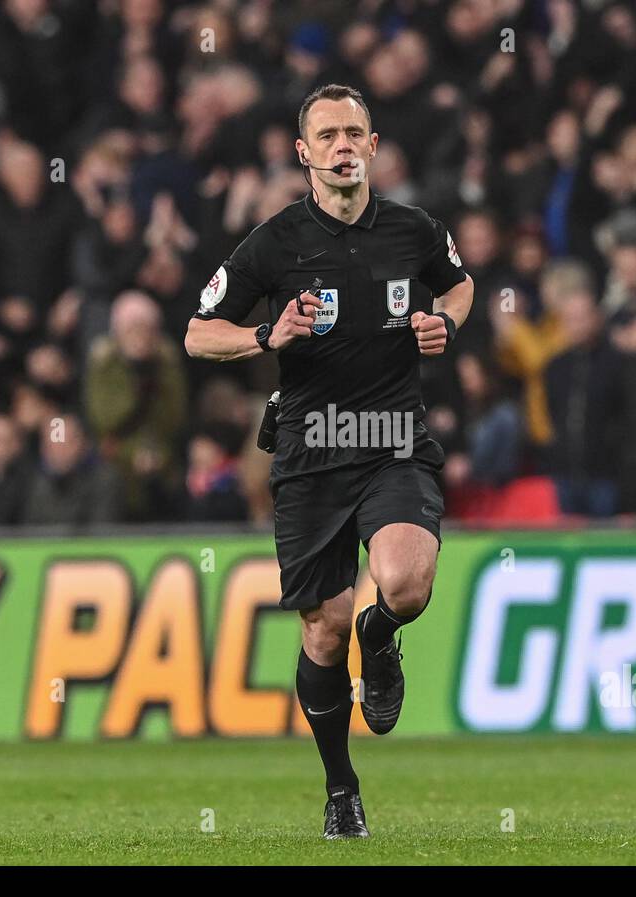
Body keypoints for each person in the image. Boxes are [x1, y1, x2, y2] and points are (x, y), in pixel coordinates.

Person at [185, 84, 474, 838]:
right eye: (329, 135)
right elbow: (196, 333)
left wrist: (442, 321)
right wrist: (264, 337)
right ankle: (341, 787)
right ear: (304, 153)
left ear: (374, 147)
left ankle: (382, 640)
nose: (344, 145)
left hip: (392, 442)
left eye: (356, 133)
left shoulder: (415, 231)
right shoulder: (274, 244)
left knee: (405, 588)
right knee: (323, 630)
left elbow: (463, 286)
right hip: (311, 450)